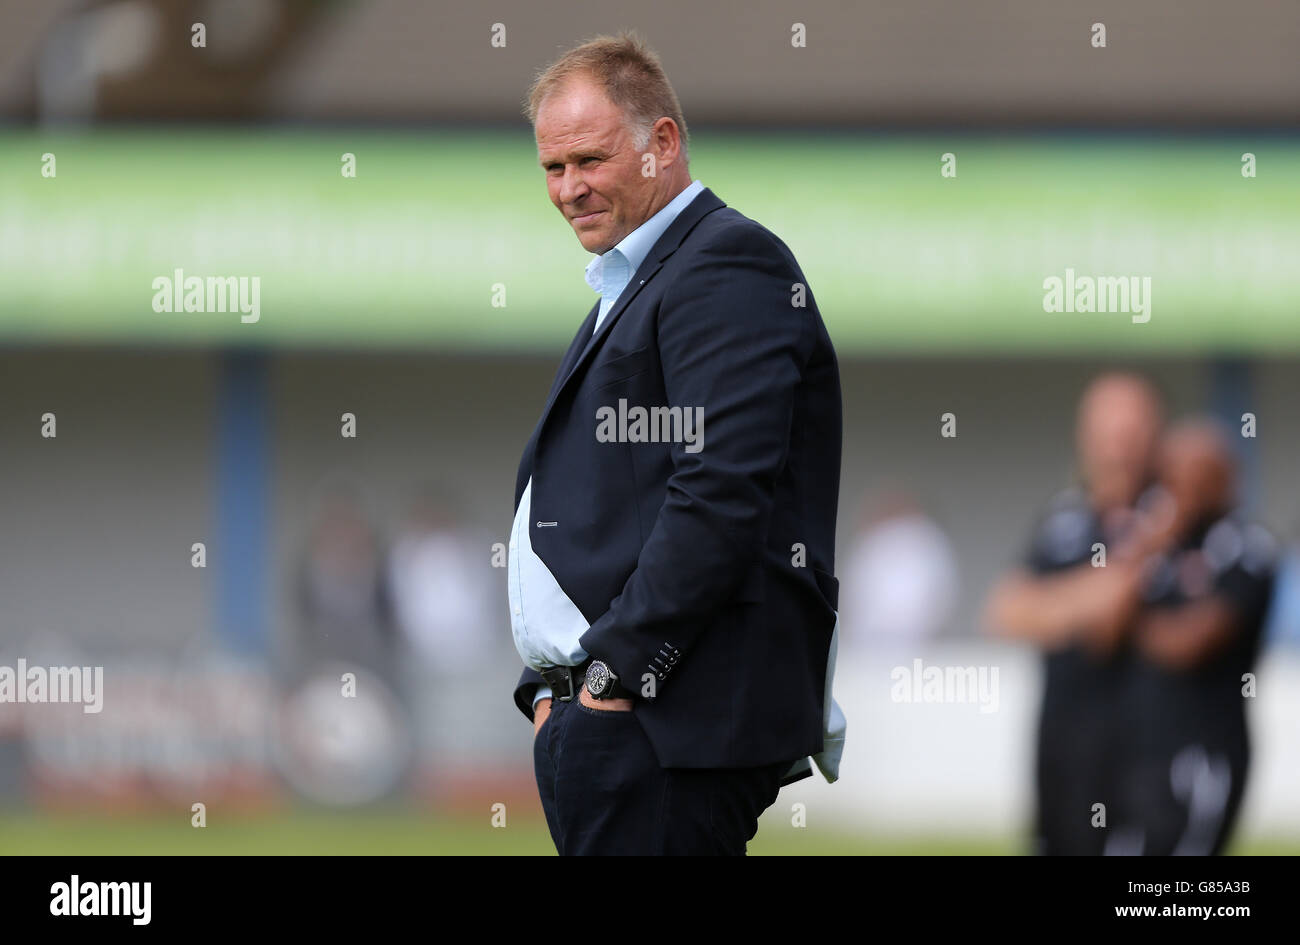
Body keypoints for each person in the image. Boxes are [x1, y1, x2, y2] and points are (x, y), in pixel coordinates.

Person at [507, 32, 844, 855]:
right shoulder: (648, 280)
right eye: (554, 168)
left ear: (662, 143)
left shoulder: (726, 264)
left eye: (588, 159)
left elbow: (720, 491)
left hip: (664, 723)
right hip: (616, 719)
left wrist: (617, 676)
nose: (570, 188)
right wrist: (552, 692)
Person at [985, 373, 1165, 855]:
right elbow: (1007, 611)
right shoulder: (1063, 519)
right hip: (1061, 753)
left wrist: (1058, 607)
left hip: (1139, 761)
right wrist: (1094, 595)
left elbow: (1107, 630)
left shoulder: (1167, 521)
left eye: (1130, 433)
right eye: (1106, 432)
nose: (1117, 449)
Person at [1116, 420, 1276, 855]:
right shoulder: (1150, 546)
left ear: (1225, 478)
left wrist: (1127, 625)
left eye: (1196, 473)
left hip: (1203, 751)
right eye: (1173, 473)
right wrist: (1146, 547)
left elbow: (1190, 643)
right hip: (1135, 749)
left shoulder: (1246, 548)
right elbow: (1097, 625)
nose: (1182, 486)